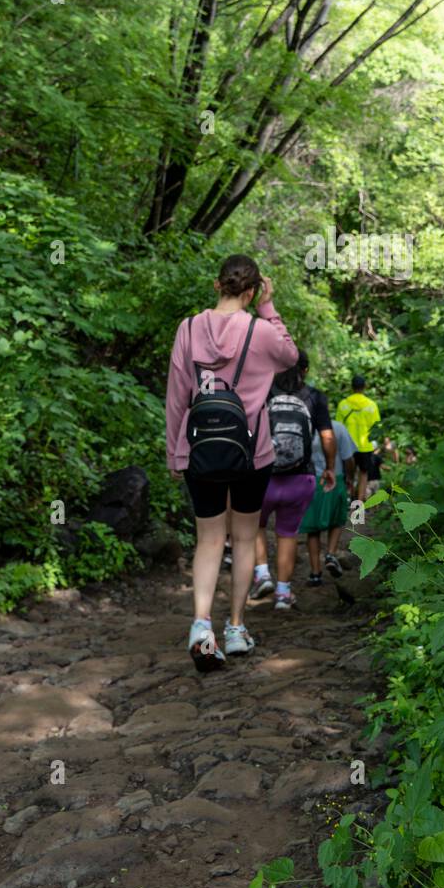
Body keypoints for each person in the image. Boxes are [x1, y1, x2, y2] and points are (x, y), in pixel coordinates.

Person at [165, 255, 298, 670]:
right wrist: (268, 309)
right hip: (251, 451)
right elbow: (292, 356)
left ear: (215, 284)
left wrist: (174, 452)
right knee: (244, 538)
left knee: (208, 539)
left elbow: (176, 395)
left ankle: (201, 627)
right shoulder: (261, 332)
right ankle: (236, 629)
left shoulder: (188, 328)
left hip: (199, 448)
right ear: (252, 290)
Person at [250, 352, 335, 610]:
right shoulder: (315, 397)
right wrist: (330, 468)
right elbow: (328, 437)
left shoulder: (263, 393)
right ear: (305, 370)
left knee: (254, 525)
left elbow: (249, 429)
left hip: (262, 476)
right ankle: (284, 594)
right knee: (287, 534)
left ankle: (262, 573)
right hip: (301, 478)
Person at [301, 416, 357, 584]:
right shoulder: (338, 428)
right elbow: (349, 459)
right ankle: (330, 554)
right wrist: (350, 479)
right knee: (338, 520)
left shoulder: (303, 428)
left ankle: (315, 573)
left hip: (311, 481)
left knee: (313, 529)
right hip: (336, 479)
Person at [336, 375, 381, 506]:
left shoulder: (343, 404)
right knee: (363, 472)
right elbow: (376, 427)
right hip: (365, 446)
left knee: (348, 474)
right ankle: (359, 502)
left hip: (347, 446)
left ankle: (346, 500)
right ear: (364, 387)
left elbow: (338, 426)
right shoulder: (371, 405)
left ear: (352, 387)